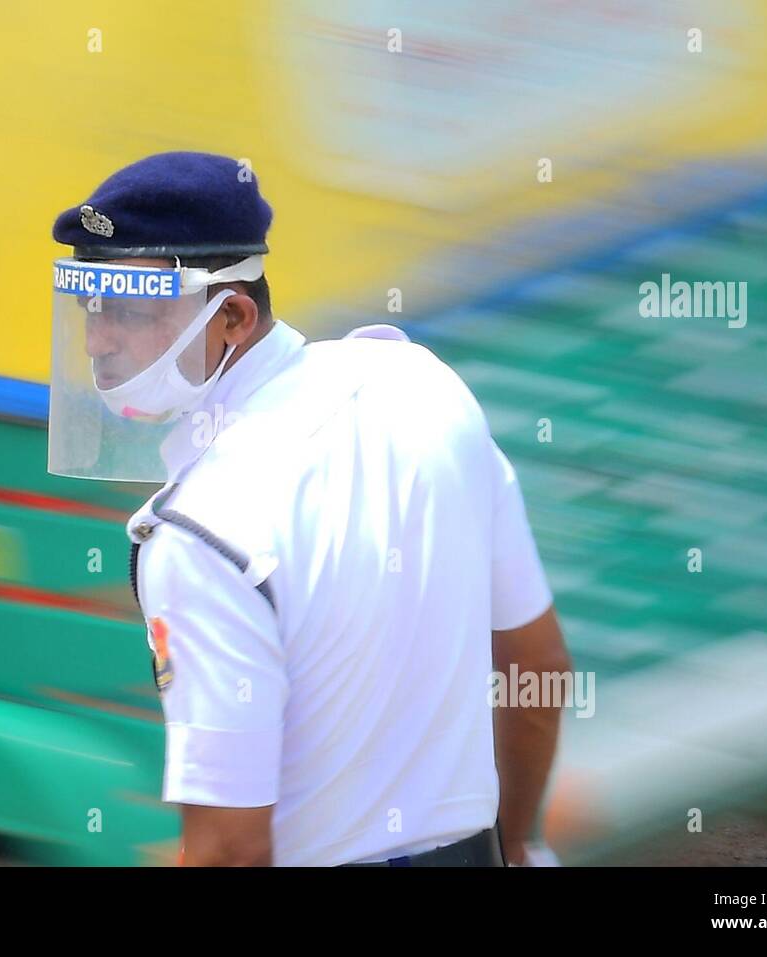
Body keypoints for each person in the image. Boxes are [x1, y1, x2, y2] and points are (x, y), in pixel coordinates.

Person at [49, 151, 570, 867]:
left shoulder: (202, 536)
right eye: (90, 304)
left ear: (230, 315)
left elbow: (230, 851)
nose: (98, 338)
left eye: (132, 309)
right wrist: (517, 846)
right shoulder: (424, 388)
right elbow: (536, 665)